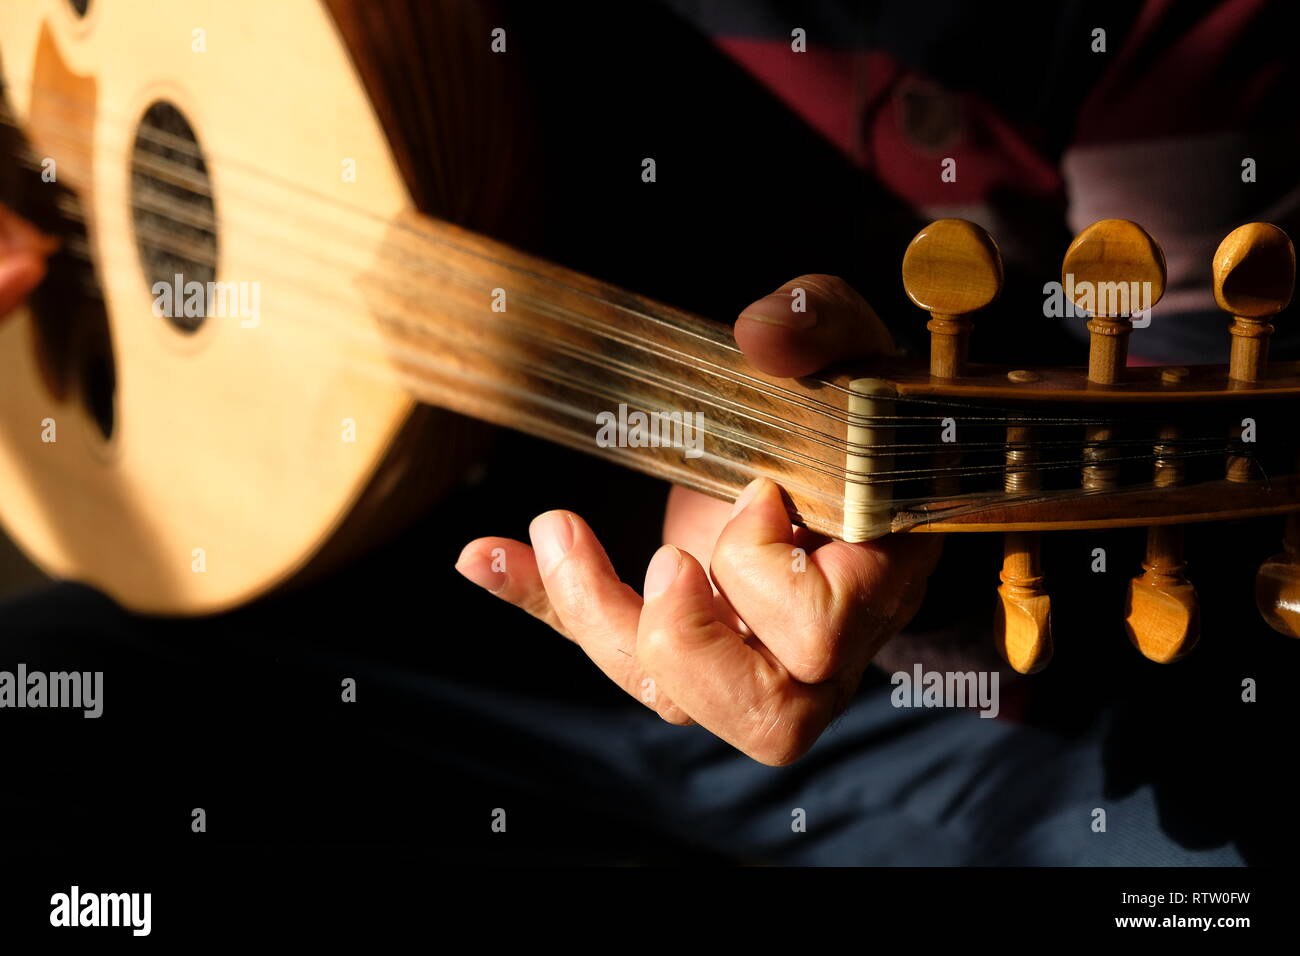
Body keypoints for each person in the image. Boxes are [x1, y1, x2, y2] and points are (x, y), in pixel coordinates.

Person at [1, 1, 1295, 866]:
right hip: (407, 604)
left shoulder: (1168, 35)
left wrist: (871, 569)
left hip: (960, 694)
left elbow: (1195, 408)